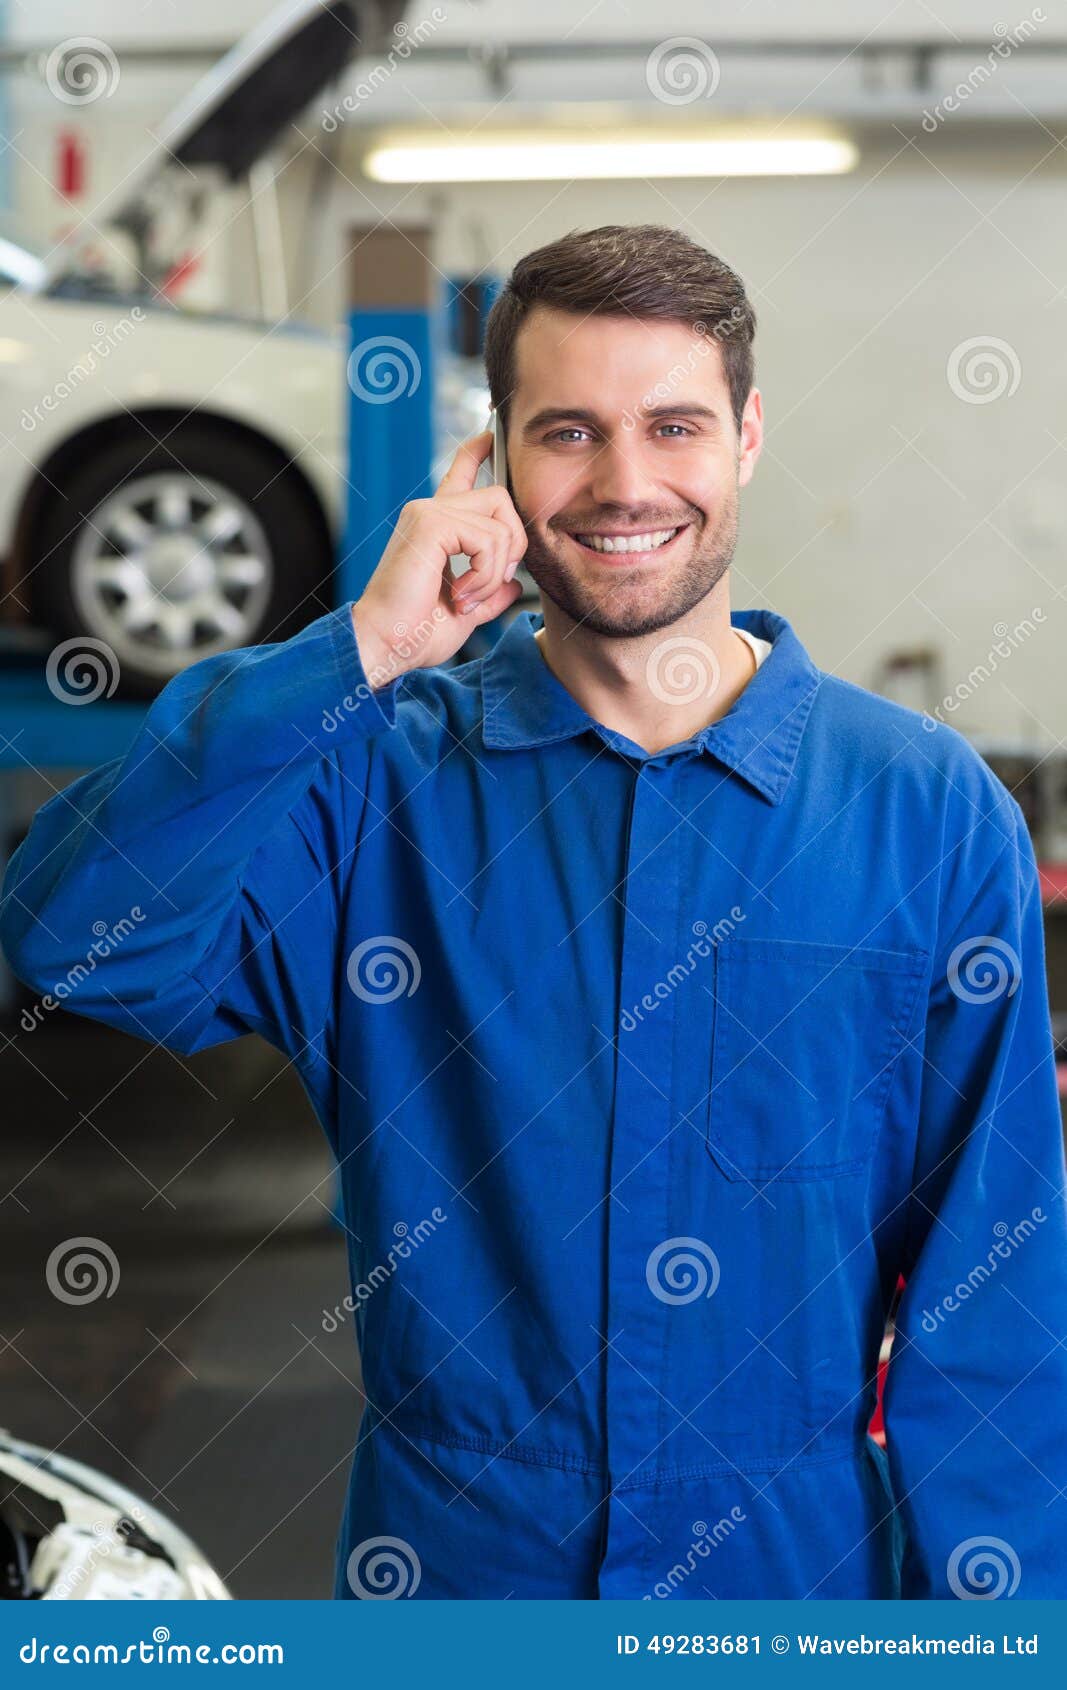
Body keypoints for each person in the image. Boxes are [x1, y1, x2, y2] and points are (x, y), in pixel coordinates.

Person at [3, 224, 1065, 1602]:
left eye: (673, 425)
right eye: (568, 431)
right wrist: (360, 651)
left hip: (789, 1577)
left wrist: (1003, 1623)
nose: (627, 484)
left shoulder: (920, 811)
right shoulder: (373, 782)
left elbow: (996, 1292)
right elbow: (80, 938)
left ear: (746, 434)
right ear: (494, 457)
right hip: (456, 1572)